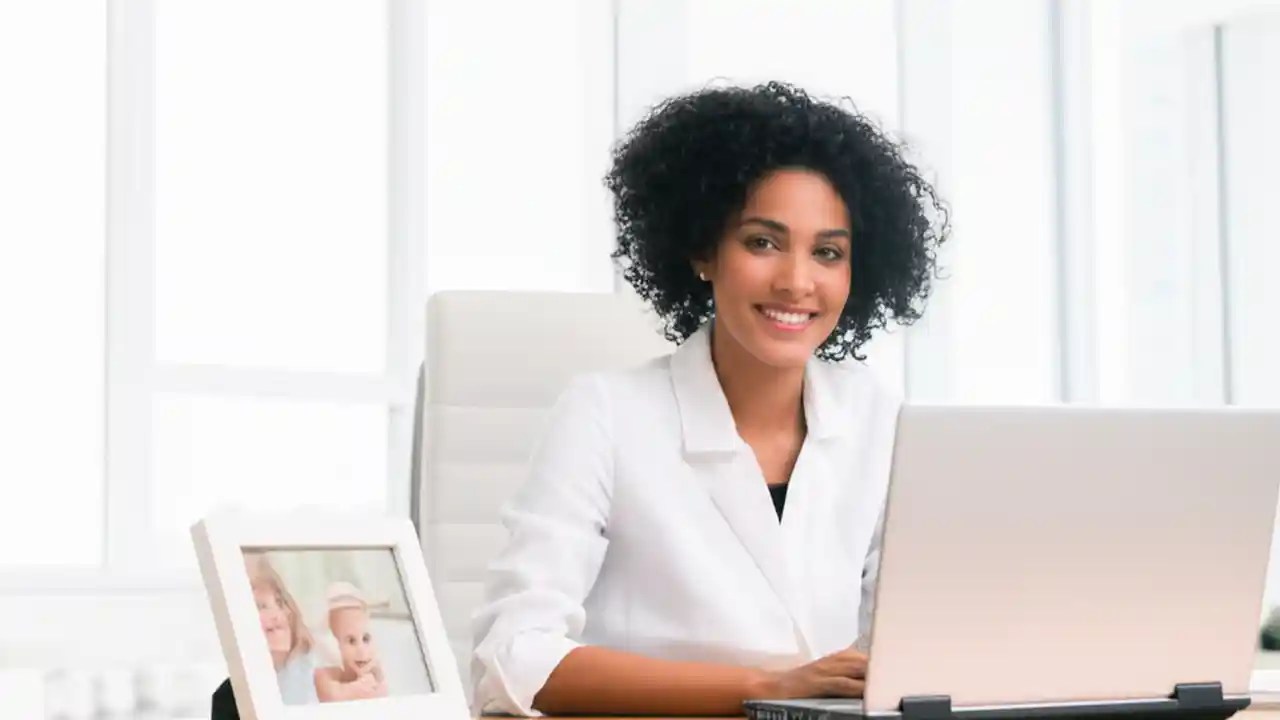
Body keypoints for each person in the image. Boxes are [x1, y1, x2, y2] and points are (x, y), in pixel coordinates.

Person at [470, 81, 947, 716]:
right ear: (702, 250)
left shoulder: (879, 419)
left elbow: (916, 644)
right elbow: (513, 659)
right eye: (762, 242)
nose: (797, 281)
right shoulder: (605, 415)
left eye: (828, 253)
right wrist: (762, 690)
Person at [243, 552, 322, 706]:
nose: (277, 615)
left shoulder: (310, 666)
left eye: (279, 603)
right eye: (260, 606)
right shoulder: (233, 696)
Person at [314, 581, 390, 702]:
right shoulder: (325, 674)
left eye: (366, 639)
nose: (361, 650)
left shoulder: (376, 672)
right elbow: (331, 695)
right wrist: (357, 688)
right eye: (351, 641)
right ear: (333, 645)